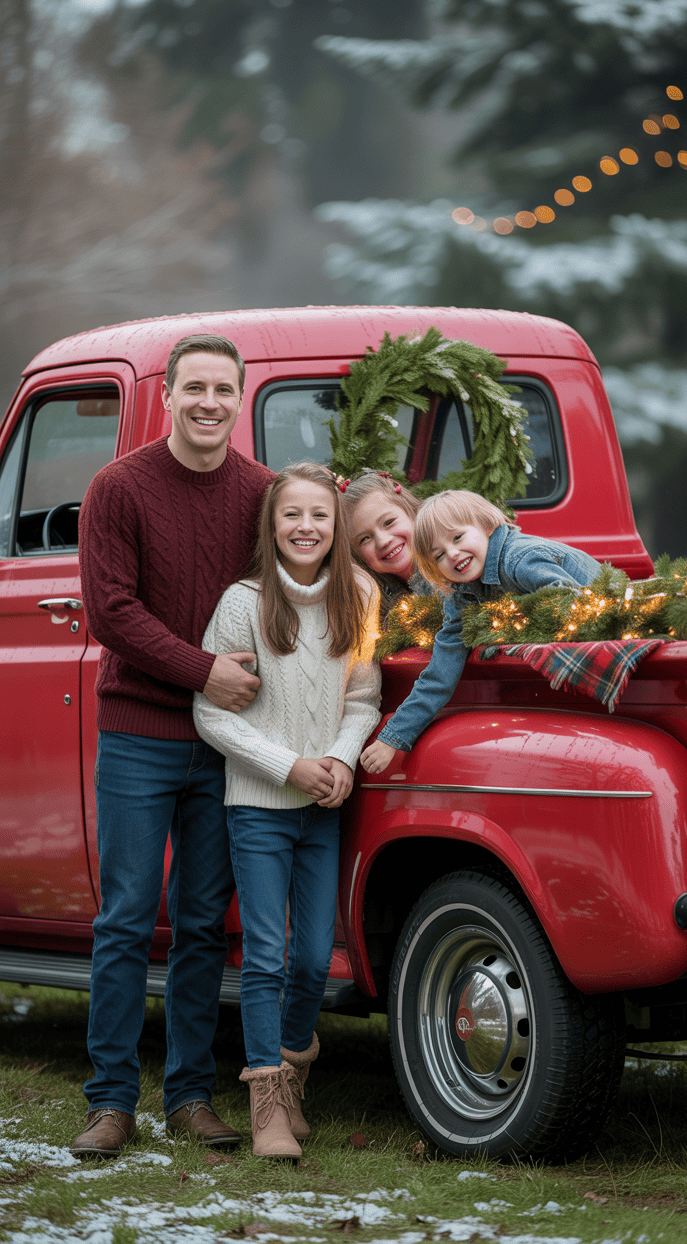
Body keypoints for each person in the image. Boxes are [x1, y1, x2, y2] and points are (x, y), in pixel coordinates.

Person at [73, 334, 275, 1158]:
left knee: (200, 924)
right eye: (194, 388)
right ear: (168, 394)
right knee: (125, 919)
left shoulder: (263, 494)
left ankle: (190, 1096)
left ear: (239, 398)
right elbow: (110, 613)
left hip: (227, 743)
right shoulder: (117, 488)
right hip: (141, 735)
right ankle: (111, 1101)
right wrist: (204, 674)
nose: (209, 404)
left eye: (223, 390)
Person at [193, 462, 381, 1159]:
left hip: (322, 805)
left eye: (319, 517)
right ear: (272, 526)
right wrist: (287, 766)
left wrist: (338, 757)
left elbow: (363, 695)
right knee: (267, 954)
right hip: (259, 805)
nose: (305, 527)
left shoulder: (358, 594)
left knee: (311, 959)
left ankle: (294, 1071)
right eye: (291, 516)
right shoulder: (243, 602)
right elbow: (211, 714)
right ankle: (266, 1101)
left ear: (336, 528)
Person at [360, 488, 600, 774]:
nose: (452, 554)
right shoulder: (461, 596)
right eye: (438, 555)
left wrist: (501, 629)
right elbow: (439, 675)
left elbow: (570, 603)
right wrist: (393, 738)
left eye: (458, 537)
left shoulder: (519, 558)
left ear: (487, 526)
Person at [339, 470, 432, 621]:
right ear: (357, 556)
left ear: (412, 512)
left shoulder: (457, 570)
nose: (383, 541)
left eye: (389, 522)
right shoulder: (374, 608)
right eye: (364, 539)